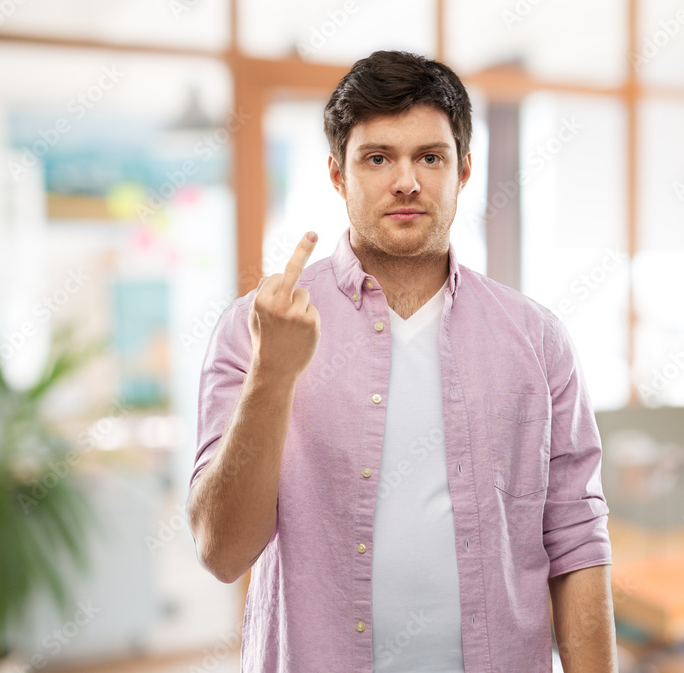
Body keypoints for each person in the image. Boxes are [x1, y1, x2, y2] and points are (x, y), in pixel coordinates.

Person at [188, 50, 616, 673]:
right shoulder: (257, 327)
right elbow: (222, 553)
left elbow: (577, 540)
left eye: (430, 158)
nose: (406, 181)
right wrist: (272, 375)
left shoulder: (537, 339)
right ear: (337, 174)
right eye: (378, 157)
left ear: (464, 170)